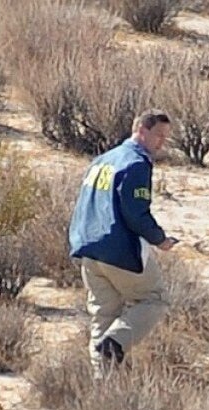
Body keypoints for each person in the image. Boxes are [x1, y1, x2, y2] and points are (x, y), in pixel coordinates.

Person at [70, 110, 178, 375]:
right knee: (155, 299)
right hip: (118, 249)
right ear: (141, 129)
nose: (161, 143)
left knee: (103, 315)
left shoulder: (102, 160)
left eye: (165, 137)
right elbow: (135, 212)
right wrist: (159, 239)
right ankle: (115, 342)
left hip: (89, 249)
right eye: (158, 135)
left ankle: (102, 383)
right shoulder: (136, 163)